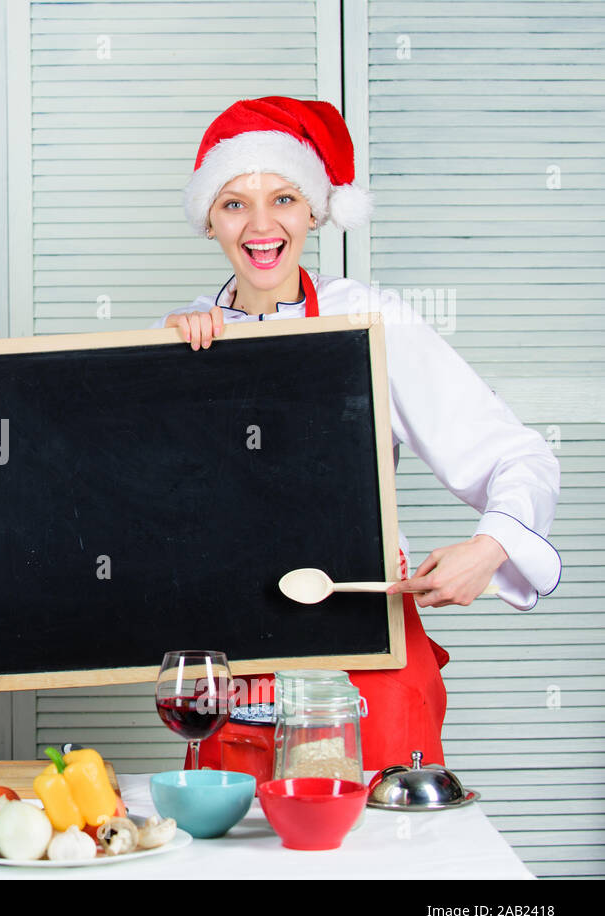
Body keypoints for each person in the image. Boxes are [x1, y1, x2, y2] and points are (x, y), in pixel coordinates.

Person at [160, 97, 561, 770]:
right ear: (209, 221)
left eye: (283, 197)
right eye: (234, 204)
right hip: (232, 676)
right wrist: (152, 380)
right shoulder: (176, 336)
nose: (261, 224)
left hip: (368, 664)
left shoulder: (371, 322)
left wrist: (492, 546)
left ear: (315, 211)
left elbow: (518, 455)